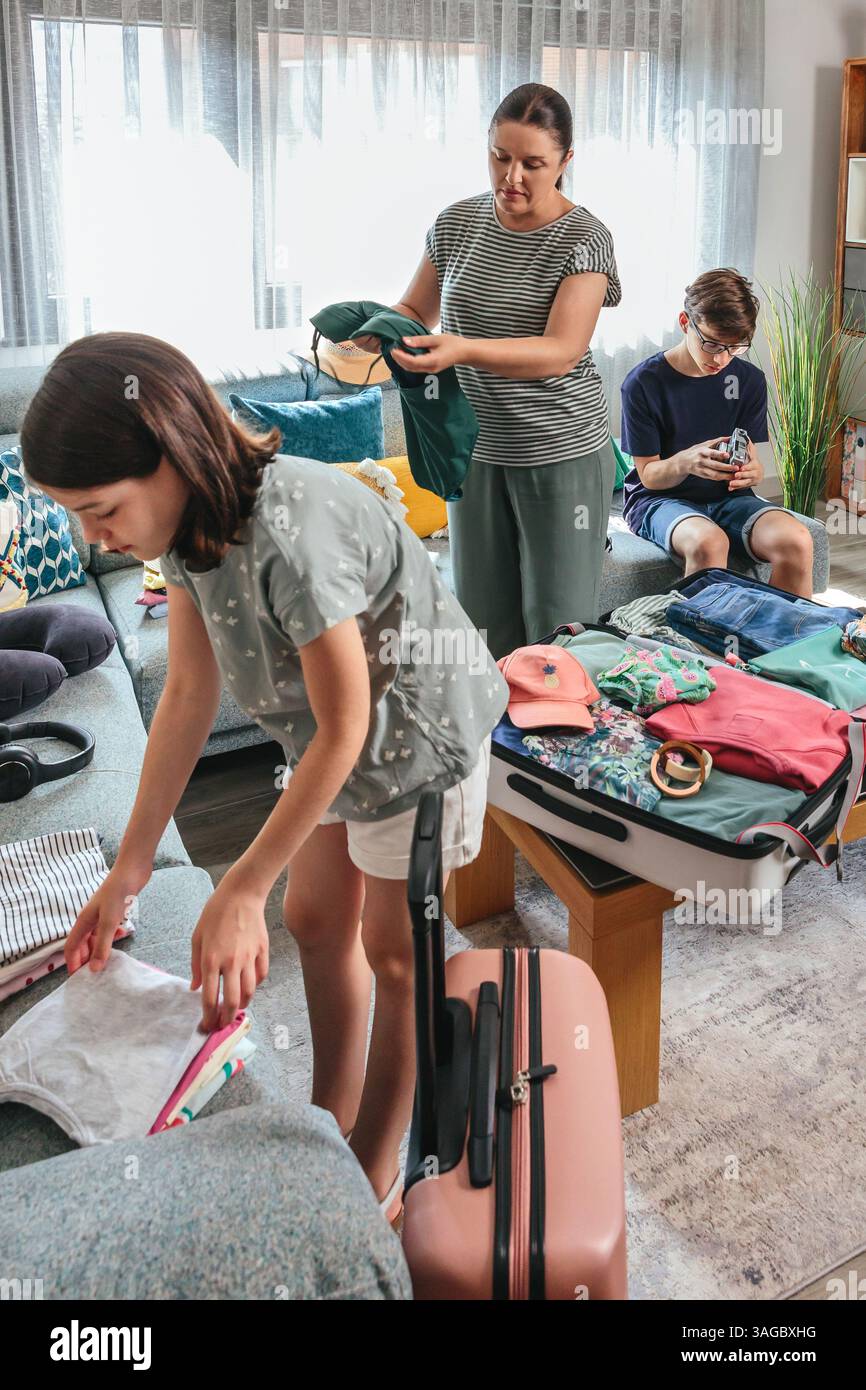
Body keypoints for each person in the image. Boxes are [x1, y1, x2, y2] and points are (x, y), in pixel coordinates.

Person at [20, 331, 509, 1225]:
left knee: (397, 957)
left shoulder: (291, 531)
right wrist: (128, 869)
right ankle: (332, 1112)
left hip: (416, 736)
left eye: (98, 510)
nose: (95, 535)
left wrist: (240, 883)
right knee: (316, 916)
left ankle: (372, 1173)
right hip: (336, 742)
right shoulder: (187, 533)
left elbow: (350, 723)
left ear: (169, 455)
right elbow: (188, 697)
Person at [353, 83, 622, 659]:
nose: (512, 177)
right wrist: (379, 325)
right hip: (472, 450)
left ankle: (557, 747)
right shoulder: (457, 223)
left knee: (557, 631)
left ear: (565, 163)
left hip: (560, 450)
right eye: (501, 156)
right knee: (480, 623)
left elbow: (562, 350)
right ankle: (491, 750)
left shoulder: (585, 239)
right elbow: (413, 308)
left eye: (533, 163)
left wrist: (461, 350)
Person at [620, 268, 814, 596]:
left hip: (729, 498)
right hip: (659, 499)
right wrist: (686, 462)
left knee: (797, 541)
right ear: (685, 323)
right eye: (711, 343)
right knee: (709, 542)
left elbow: (750, 456)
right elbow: (649, 475)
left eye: (735, 347)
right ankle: (697, 644)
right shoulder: (643, 383)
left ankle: (785, 643)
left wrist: (753, 471)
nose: (721, 359)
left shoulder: (748, 380)